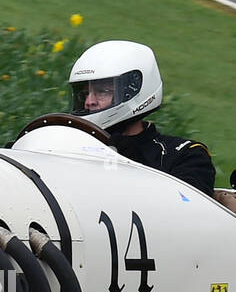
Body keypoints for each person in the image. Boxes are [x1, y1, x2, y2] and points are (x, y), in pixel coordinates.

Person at [68, 40, 215, 197]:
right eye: (84, 94)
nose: (88, 101)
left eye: (102, 91)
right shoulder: (72, 148)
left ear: (133, 91)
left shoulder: (185, 155)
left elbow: (187, 209)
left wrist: (130, 163)